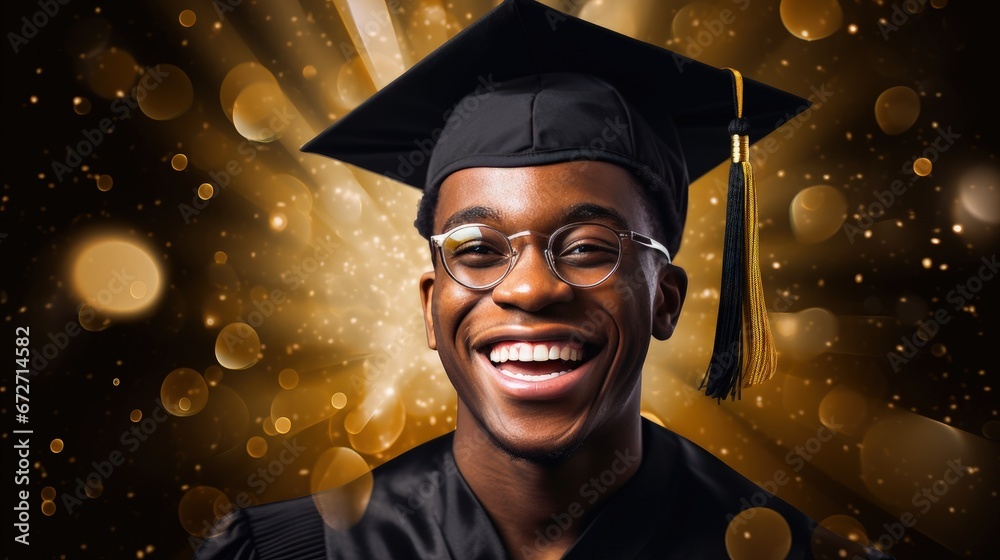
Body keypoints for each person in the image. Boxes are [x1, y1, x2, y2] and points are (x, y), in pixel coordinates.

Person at [192, 1, 894, 558]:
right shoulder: (293, 551)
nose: (530, 289)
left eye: (588, 249)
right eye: (477, 249)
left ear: (665, 299)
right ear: (431, 305)